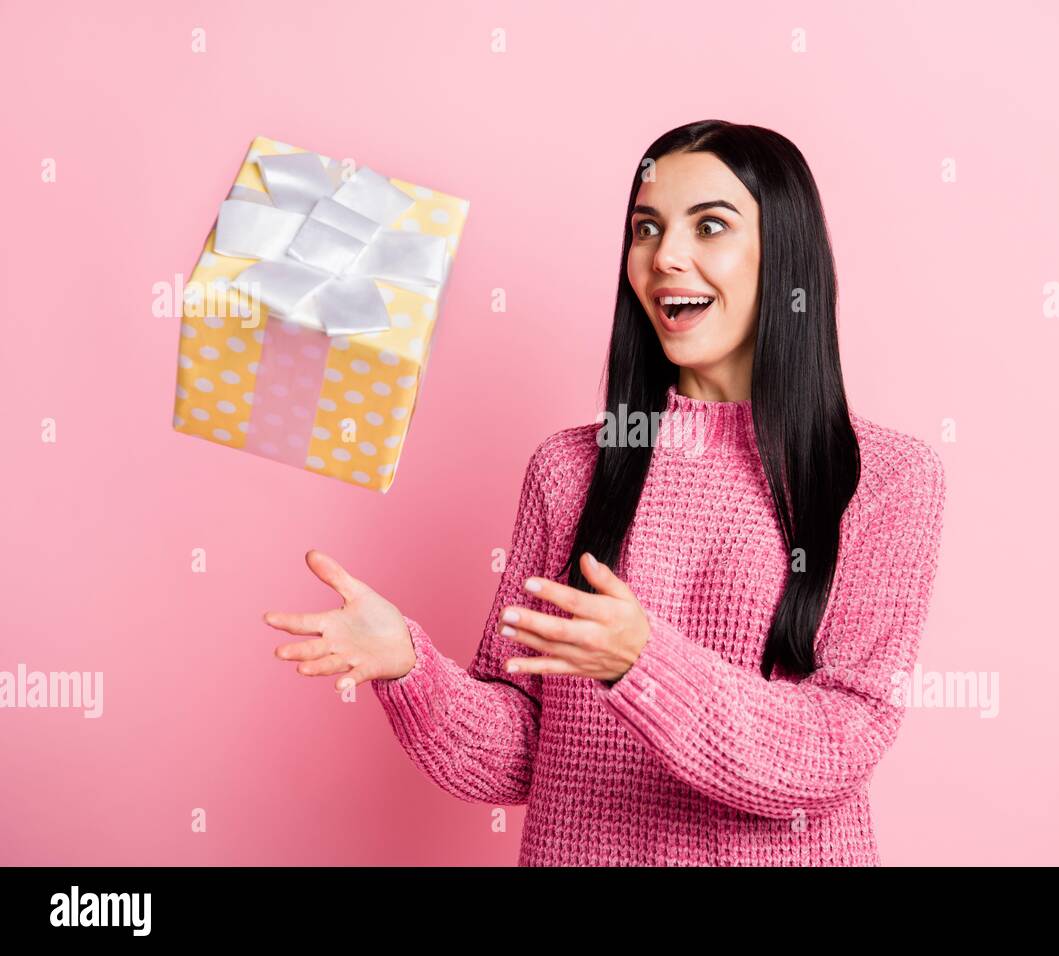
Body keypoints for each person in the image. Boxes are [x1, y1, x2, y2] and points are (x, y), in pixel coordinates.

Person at [265, 119, 947, 866]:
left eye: (710, 225)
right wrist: (409, 668)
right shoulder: (568, 471)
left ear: (785, 258)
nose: (666, 258)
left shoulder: (885, 478)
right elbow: (523, 755)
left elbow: (835, 750)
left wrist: (642, 663)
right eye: (646, 229)